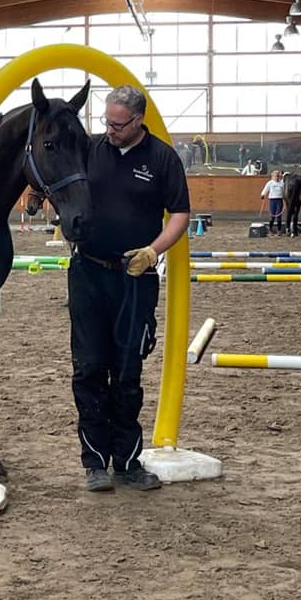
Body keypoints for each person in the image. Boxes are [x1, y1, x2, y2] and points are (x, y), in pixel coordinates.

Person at [68, 85, 190, 493]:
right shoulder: (92, 149)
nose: (110, 131)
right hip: (87, 272)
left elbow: (180, 214)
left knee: (127, 369)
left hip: (135, 278)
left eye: (118, 125)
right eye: (106, 122)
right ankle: (95, 463)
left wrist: (153, 252)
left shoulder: (162, 159)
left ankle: (127, 460)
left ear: (139, 120)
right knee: (88, 367)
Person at [261, 170, 285, 234]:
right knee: (272, 216)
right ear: (272, 176)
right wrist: (263, 194)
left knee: (278, 216)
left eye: (278, 176)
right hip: (272, 200)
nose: (277, 177)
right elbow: (265, 189)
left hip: (279, 200)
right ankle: (270, 229)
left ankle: (279, 230)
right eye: (276, 176)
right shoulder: (270, 183)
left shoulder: (282, 183)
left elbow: (284, 192)